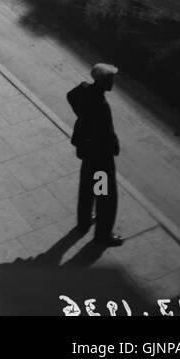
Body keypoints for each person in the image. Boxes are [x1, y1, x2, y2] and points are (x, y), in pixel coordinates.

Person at [67, 63, 123, 246]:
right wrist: (114, 146)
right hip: (101, 157)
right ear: (103, 81)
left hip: (87, 151)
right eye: (110, 80)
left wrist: (82, 117)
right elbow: (107, 133)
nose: (113, 83)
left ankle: (83, 222)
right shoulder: (101, 105)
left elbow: (70, 96)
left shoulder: (84, 90)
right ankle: (102, 235)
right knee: (104, 194)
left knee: (87, 187)